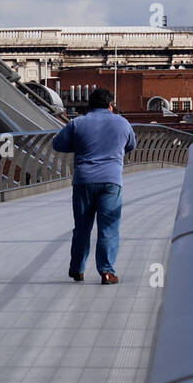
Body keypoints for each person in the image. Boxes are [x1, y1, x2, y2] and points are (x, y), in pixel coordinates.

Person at [52, 88, 136, 285]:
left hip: (84, 181)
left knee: (82, 227)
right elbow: (130, 145)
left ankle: (77, 269)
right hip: (111, 181)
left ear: (89, 105)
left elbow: (58, 144)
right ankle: (106, 272)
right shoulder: (122, 122)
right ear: (110, 105)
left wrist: (79, 145)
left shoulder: (77, 123)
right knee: (108, 227)